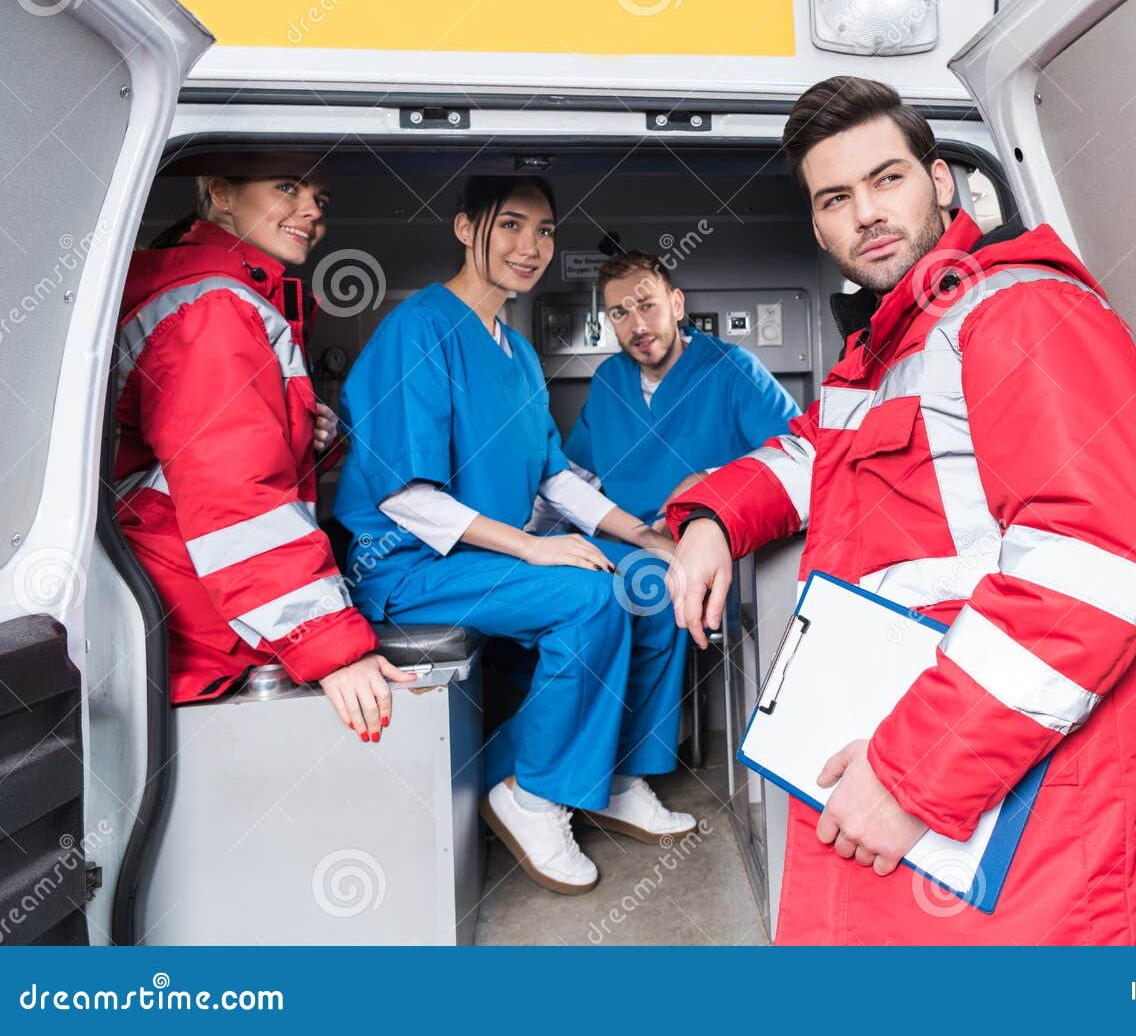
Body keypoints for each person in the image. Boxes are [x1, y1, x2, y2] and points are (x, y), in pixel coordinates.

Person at [664, 76, 1136, 944]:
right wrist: (713, 518)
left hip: (1019, 816)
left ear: (941, 182)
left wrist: (917, 775)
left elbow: (1093, 572)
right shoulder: (890, 347)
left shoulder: (1022, 312)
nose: (866, 212)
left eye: (887, 179)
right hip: (907, 768)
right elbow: (811, 456)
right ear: (818, 226)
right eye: (835, 198)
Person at [333, 176, 698, 897]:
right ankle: (529, 796)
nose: (530, 246)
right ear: (466, 227)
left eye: (545, 231)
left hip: (486, 560)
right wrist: (534, 547)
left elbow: (554, 476)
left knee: (654, 586)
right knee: (590, 599)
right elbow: (405, 497)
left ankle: (618, 775)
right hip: (409, 568)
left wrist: (648, 539)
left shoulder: (521, 355)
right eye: (510, 225)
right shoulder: (416, 330)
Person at [112, 158, 410, 742]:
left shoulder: (222, 293)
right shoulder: (214, 309)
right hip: (194, 606)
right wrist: (327, 643)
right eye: (288, 187)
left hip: (197, 592)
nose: (311, 210)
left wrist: (301, 429)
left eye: (321, 198)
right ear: (221, 193)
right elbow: (234, 496)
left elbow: (199, 452)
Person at [564, 251, 799, 527]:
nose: (637, 326)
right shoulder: (608, 382)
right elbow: (572, 478)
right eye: (620, 313)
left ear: (676, 305)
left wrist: (708, 480)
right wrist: (533, 537)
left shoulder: (732, 369)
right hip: (634, 542)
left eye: (647, 306)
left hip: (723, 538)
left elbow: (797, 460)